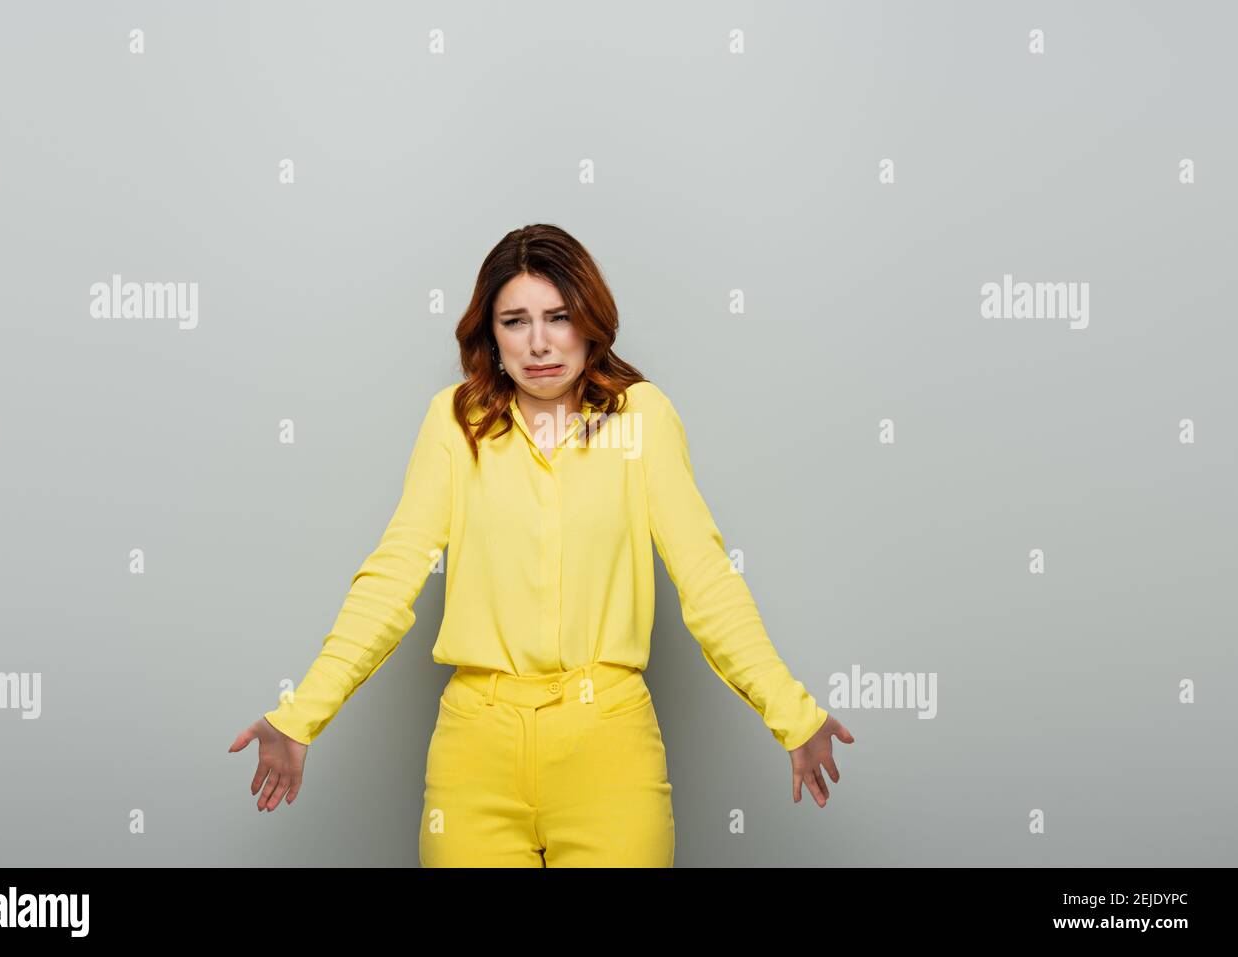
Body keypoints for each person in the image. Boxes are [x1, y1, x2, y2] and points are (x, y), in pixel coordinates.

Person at [228, 224, 855, 866]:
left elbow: (706, 579)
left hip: (608, 748)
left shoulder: (642, 418)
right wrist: (301, 714)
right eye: (514, 321)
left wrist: (793, 713)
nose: (538, 344)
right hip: (474, 751)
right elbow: (392, 577)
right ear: (490, 334)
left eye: (558, 317)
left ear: (590, 321)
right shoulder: (455, 422)